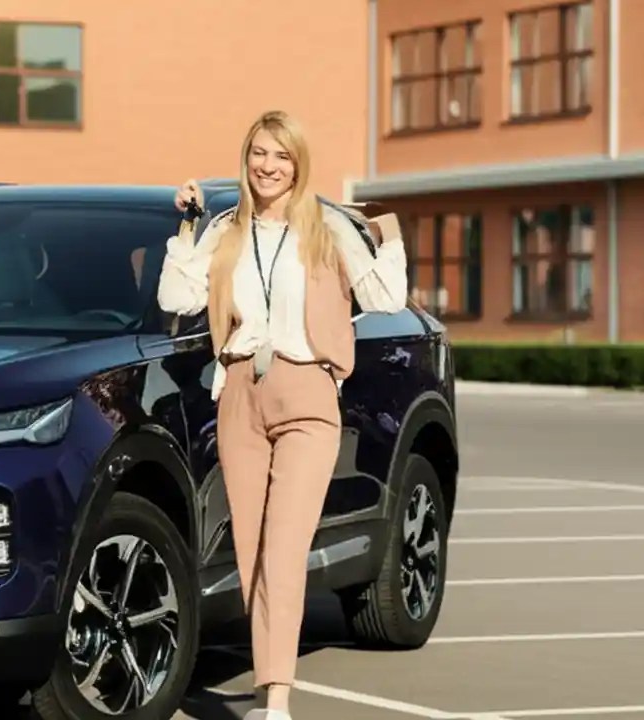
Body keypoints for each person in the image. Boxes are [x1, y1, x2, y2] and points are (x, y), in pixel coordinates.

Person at [157, 110, 408, 720]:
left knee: (285, 547)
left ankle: (276, 700)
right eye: (259, 154)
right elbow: (176, 297)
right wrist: (187, 228)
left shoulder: (325, 225)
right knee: (252, 550)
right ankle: (268, 685)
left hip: (307, 394)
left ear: (298, 165)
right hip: (241, 393)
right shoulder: (225, 230)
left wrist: (389, 234)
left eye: (282, 156)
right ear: (247, 159)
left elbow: (386, 297)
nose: (268, 167)